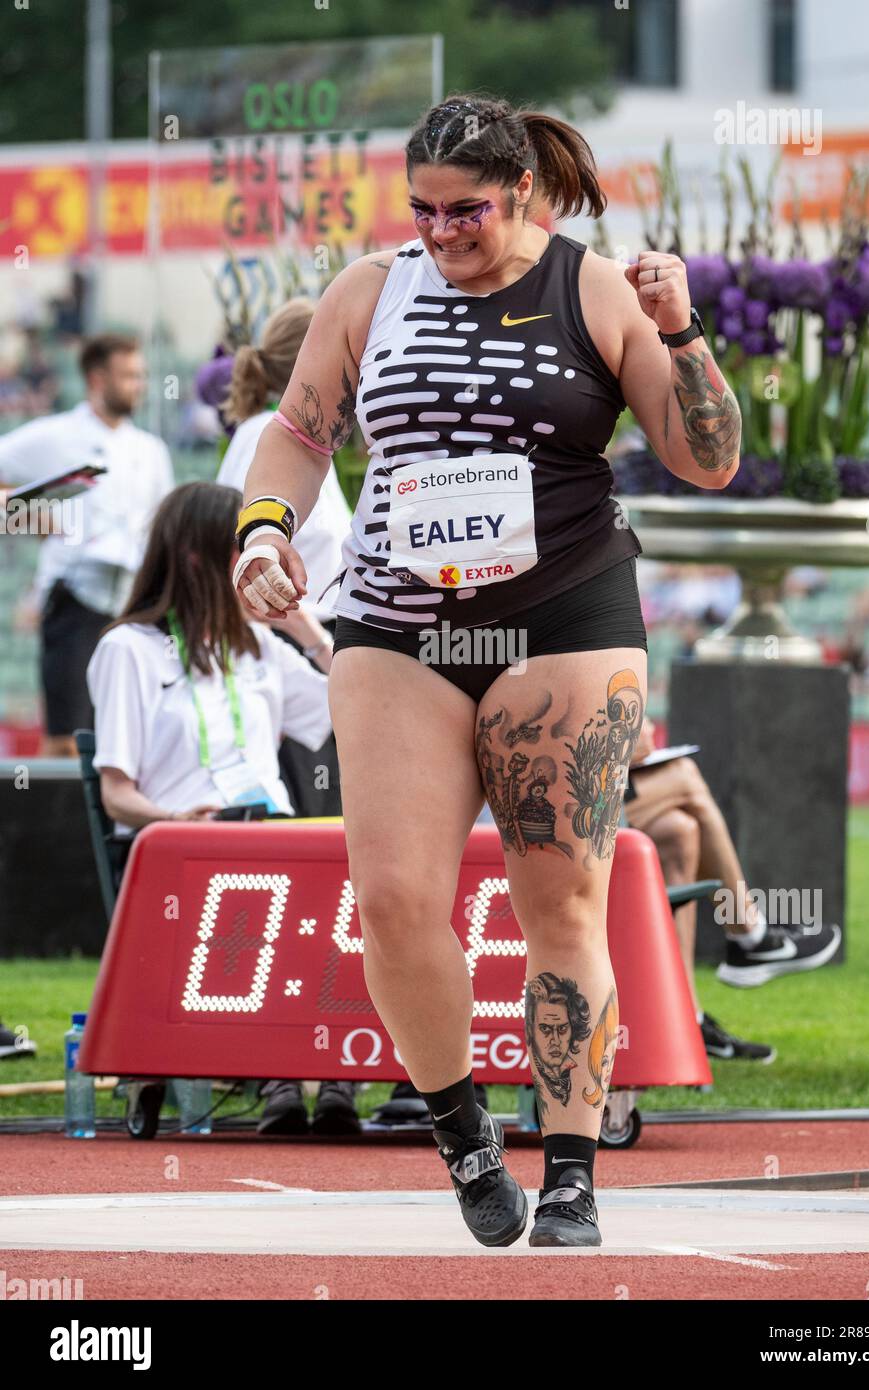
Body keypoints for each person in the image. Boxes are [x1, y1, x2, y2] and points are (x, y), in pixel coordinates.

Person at [230, 94, 742, 1247]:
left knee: (559, 899)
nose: (441, 231)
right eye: (421, 208)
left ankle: (570, 1172)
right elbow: (301, 433)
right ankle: (461, 1130)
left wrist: (682, 333)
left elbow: (706, 460)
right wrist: (264, 529)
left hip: (561, 617)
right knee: (396, 903)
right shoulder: (372, 289)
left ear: (521, 194)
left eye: (464, 210)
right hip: (401, 625)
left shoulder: (591, 286)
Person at [86, 481, 332, 1136]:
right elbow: (116, 792)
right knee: (274, 865)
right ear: (199, 560)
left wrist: (306, 632)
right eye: (245, 554)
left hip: (273, 835)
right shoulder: (129, 650)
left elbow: (355, 704)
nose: (262, 571)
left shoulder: (256, 650)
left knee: (355, 861)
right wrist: (174, 822)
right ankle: (285, 1076)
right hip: (184, 845)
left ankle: (334, 1076)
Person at [622, 718, 841, 1063]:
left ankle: (686, 1020)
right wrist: (625, 737)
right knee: (684, 774)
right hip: (551, 800)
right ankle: (750, 935)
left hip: (582, 784)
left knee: (679, 831)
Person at [0, 334, 175, 756]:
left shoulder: (150, 450)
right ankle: (56, 822)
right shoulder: (55, 435)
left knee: (127, 736)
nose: (139, 385)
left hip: (134, 603)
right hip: (76, 599)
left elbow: (164, 528)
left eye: (141, 376)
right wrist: (28, 515)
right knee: (66, 738)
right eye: (129, 376)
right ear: (97, 379)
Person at [217, 297, 350, 821]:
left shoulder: (299, 440)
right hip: (298, 646)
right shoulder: (268, 439)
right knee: (318, 824)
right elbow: (243, 569)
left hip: (314, 646)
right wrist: (318, 648)